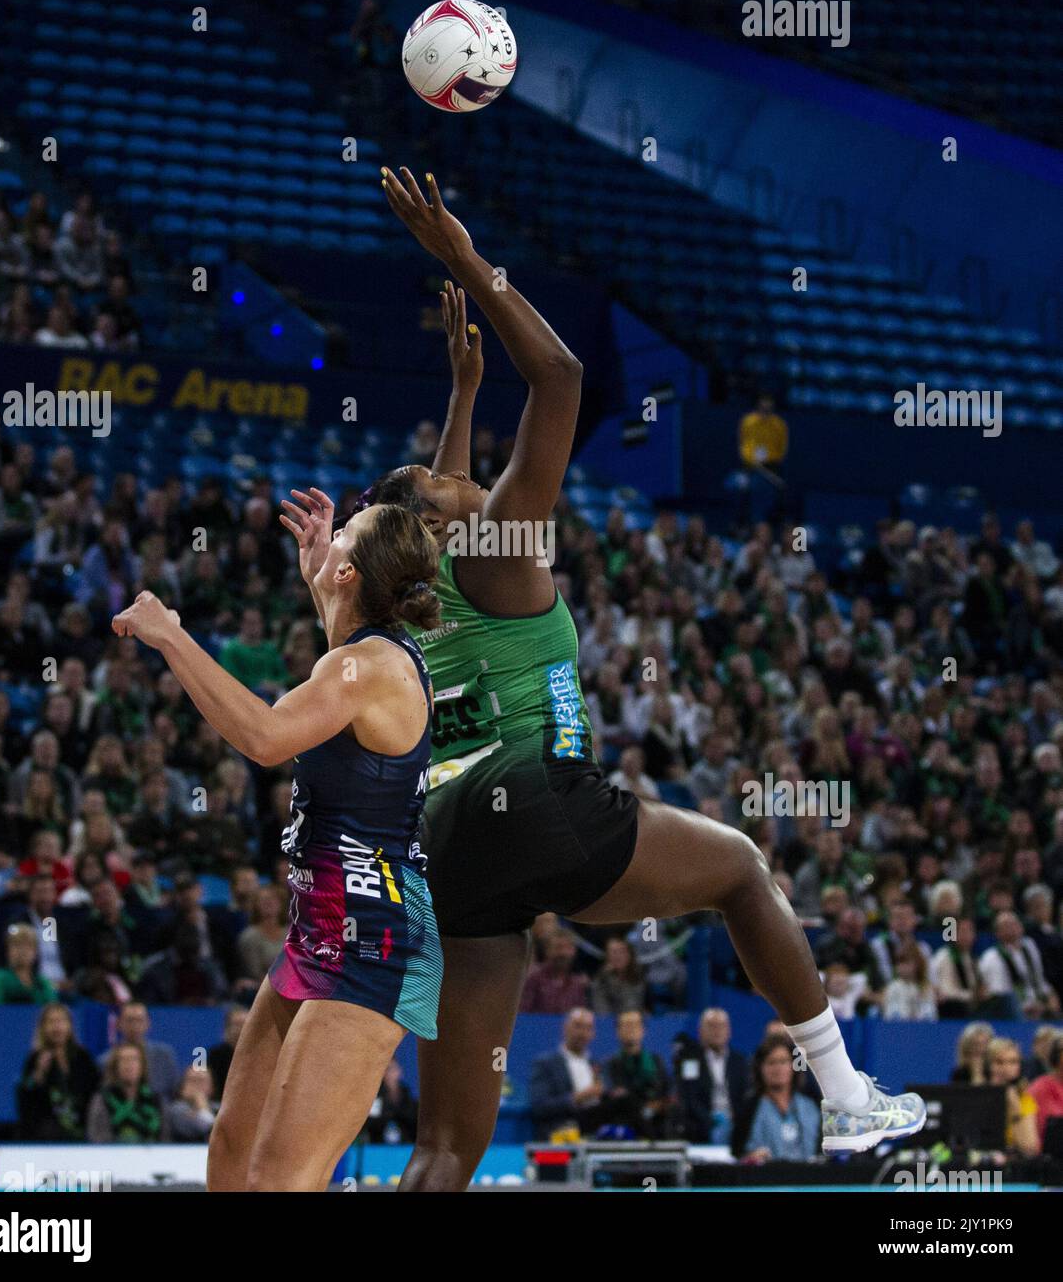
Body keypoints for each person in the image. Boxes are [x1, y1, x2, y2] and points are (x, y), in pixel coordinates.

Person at [348, 167, 925, 1190]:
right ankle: (845, 1100)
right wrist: (467, 262)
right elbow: (564, 378)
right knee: (743, 868)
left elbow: (427, 489)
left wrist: (463, 389)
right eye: (452, 475)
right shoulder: (493, 541)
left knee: (445, 1145)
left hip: (450, 849)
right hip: (536, 803)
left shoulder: (415, 596)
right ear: (438, 515)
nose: (469, 470)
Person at [111, 490, 443, 1192]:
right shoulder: (360, 652)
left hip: (374, 937)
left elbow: (263, 738)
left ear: (354, 576)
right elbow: (341, 631)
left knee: (279, 1183)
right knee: (232, 1159)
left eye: (346, 533)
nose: (335, 535)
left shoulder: (369, 668)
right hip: (320, 926)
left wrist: (170, 633)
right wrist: (321, 568)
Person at [732, 1032, 821, 1162]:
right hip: (763, 1177)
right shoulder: (748, 1108)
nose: (778, 1068)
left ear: (793, 1066)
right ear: (760, 1068)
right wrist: (750, 1158)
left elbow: (822, 1151)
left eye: (783, 1062)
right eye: (771, 1062)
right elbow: (736, 1152)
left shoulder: (811, 1105)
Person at [16, 1004, 100, 1141]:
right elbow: (26, 1096)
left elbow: (95, 1091)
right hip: (47, 1133)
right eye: (51, 1022)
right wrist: (39, 1074)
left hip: (82, 1128)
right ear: (43, 1027)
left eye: (61, 1021)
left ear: (69, 1026)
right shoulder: (35, 1058)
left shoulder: (82, 1057)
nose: (57, 1027)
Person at [673, 1007, 749, 1145]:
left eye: (721, 1026)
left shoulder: (740, 1061)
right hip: (701, 1126)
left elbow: (745, 1096)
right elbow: (689, 1096)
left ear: (729, 1031)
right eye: (711, 1026)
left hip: (735, 1124)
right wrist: (709, 1120)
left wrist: (734, 1118)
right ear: (700, 1031)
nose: (717, 1031)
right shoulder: (689, 1060)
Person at [528, 1007, 602, 1137]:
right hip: (560, 1135)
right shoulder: (546, 1064)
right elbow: (539, 1106)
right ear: (565, 1027)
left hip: (595, 1134)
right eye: (578, 1026)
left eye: (588, 1028)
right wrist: (577, 1098)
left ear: (593, 1033)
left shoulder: (596, 1065)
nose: (583, 1033)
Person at [601, 1009, 672, 1138]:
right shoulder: (610, 1064)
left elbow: (666, 1093)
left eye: (635, 1025)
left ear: (643, 1030)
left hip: (656, 1125)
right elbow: (613, 1096)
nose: (631, 1029)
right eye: (626, 1025)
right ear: (617, 1031)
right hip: (623, 1127)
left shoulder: (656, 1061)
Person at [99, 1002, 180, 1103]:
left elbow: (176, 1094)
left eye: (139, 1020)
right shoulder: (106, 1060)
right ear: (119, 1024)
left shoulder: (164, 1055)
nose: (135, 1026)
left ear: (148, 1023)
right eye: (129, 1020)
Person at [87, 1044, 166, 1143]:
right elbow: (98, 1138)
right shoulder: (103, 1099)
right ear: (115, 1067)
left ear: (142, 1066)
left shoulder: (155, 1099)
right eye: (124, 1060)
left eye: (134, 1059)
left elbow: (165, 1138)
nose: (129, 1064)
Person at [985, 1037, 1040, 1157]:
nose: (1006, 1068)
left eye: (1013, 1062)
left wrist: (1015, 1108)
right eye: (999, 1062)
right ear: (988, 1066)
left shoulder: (1024, 1100)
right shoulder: (975, 1096)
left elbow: (1029, 1148)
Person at [168, 1066, 219, 1143]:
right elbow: (210, 1130)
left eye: (201, 1081)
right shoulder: (176, 1110)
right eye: (192, 1080)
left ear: (212, 1087)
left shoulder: (220, 1108)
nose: (196, 1085)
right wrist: (201, 1104)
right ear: (182, 1087)